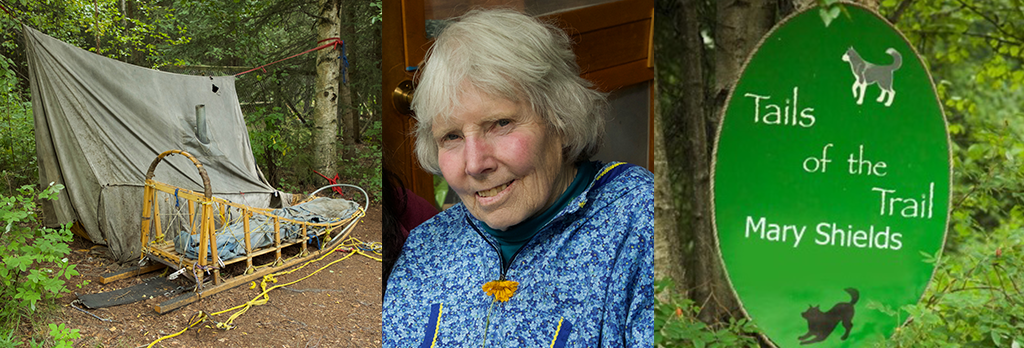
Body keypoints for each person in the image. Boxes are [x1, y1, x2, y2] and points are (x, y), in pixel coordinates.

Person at [382, 9, 653, 347]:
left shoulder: (640, 220)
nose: (475, 164)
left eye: (500, 123)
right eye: (451, 136)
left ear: (561, 118)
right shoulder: (427, 248)